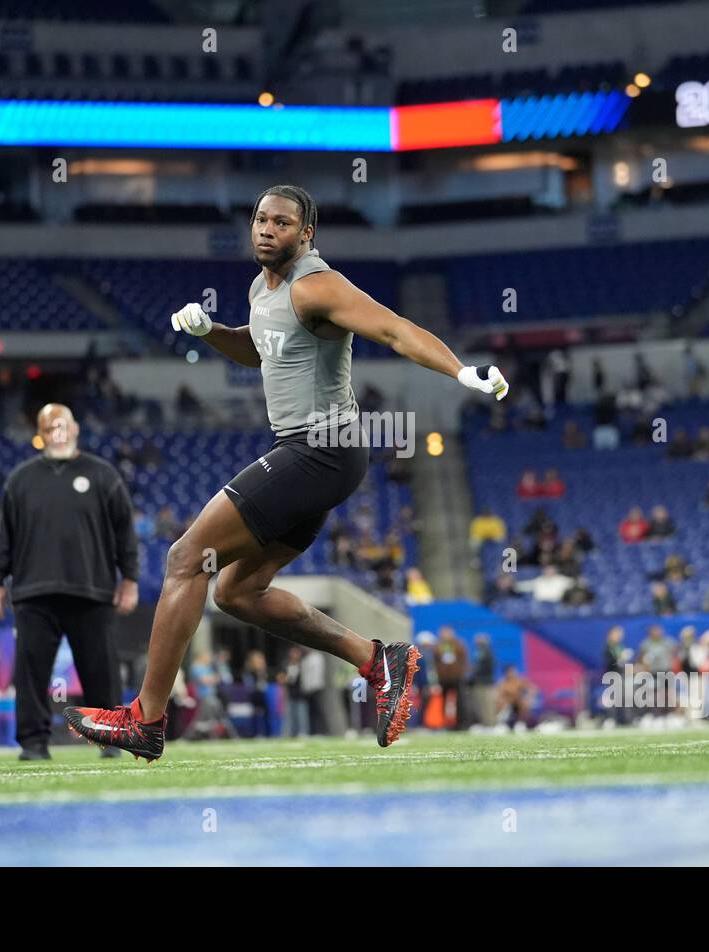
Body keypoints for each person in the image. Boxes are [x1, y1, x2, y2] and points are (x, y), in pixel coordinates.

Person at [64, 185, 509, 761]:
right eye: (259, 219)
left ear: (306, 235)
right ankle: (377, 660)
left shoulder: (316, 285)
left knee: (185, 559)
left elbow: (394, 328)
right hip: (318, 452)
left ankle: (144, 719)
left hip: (322, 447)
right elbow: (260, 350)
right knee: (237, 591)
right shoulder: (262, 287)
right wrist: (211, 334)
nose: (266, 228)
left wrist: (460, 372)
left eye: (281, 221)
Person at [0, 404, 138, 761]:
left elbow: (124, 532)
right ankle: (34, 743)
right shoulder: (20, 480)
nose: (58, 431)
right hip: (33, 593)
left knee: (100, 670)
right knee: (31, 672)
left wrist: (129, 579)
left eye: (63, 424)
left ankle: (110, 740)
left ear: (76, 429)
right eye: (50, 425)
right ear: (40, 432)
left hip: (92, 589)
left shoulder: (103, 475)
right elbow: (4, 536)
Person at [468, 634, 496, 727]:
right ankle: (485, 724)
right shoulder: (479, 651)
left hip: (484, 682)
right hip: (479, 682)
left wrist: (473, 675)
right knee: (481, 705)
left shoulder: (486, 652)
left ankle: (490, 724)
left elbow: (482, 667)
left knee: (487, 704)